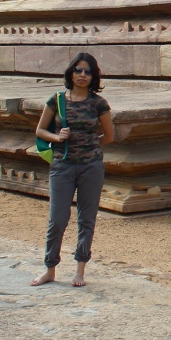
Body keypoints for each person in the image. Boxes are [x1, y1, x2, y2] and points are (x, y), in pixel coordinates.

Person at [30, 52, 115, 287]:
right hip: (63, 164)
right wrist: (58, 137)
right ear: (71, 73)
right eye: (78, 70)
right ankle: (49, 268)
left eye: (88, 71)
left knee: (86, 218)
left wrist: (89, 144)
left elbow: (109, 136)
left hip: (91, 166)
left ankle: (80, 270)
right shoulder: (57, 100)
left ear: (93, 76)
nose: (82, 75)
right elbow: (40, 131)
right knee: (57, 219)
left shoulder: (98, 103)